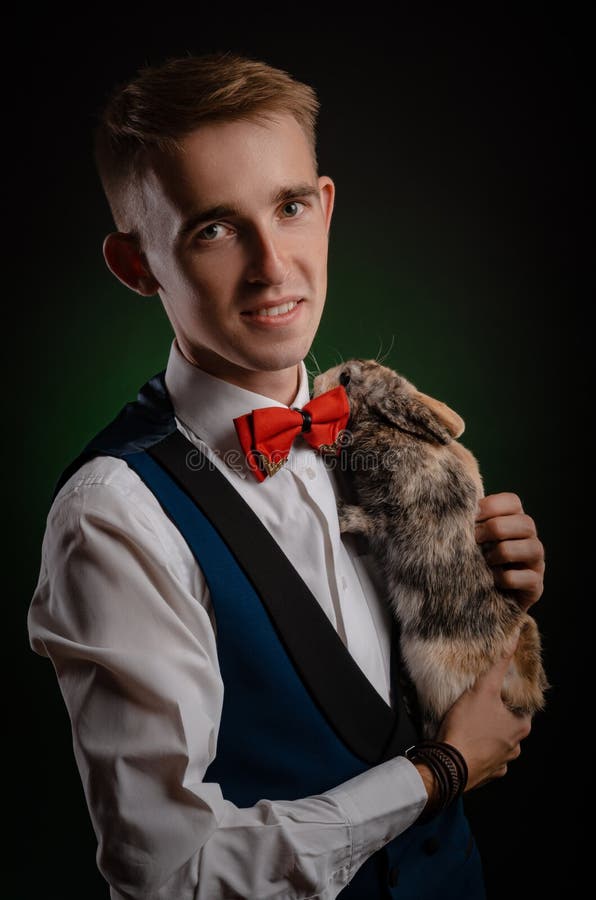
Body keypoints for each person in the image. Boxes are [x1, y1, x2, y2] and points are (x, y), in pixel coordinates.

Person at [27, 52, 545, 899]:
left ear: (326, 209)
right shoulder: (113, 513)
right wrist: (437, 772)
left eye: (290, 207)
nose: (274, 266)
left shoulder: (386, 428)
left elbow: (451, 695)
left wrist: (489, 595)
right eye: (215, 227)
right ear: (136, 264)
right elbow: (170, 876)